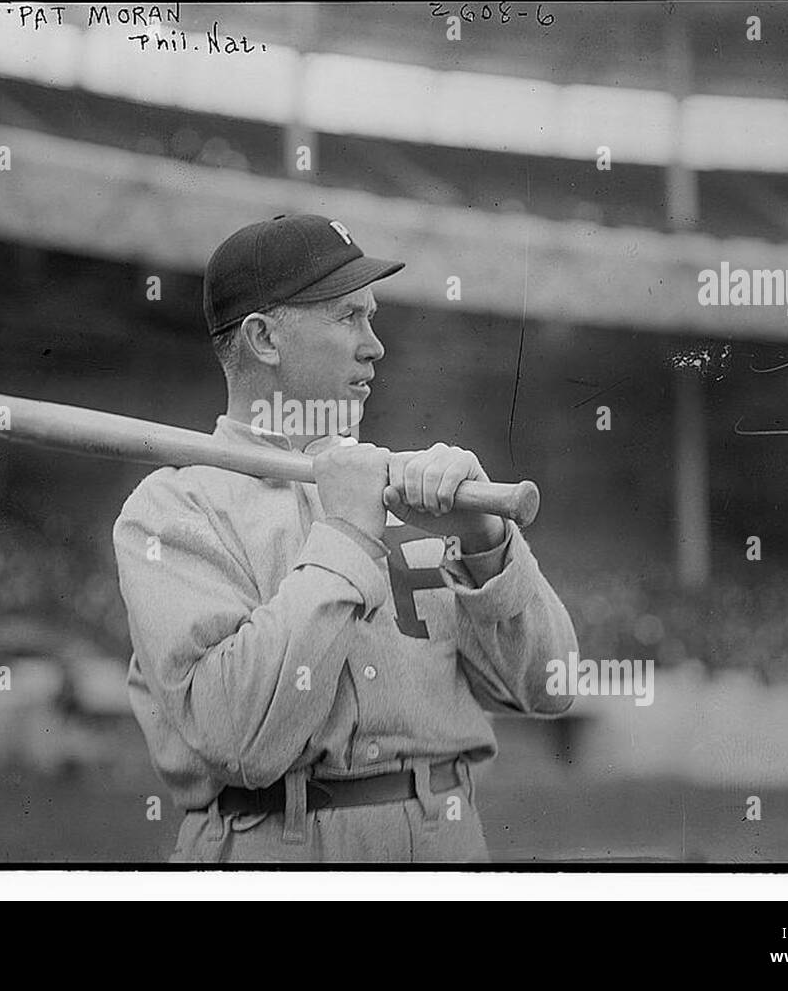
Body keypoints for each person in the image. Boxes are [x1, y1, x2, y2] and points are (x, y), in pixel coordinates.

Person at [113, 213, 578, 862]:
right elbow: (238, 740)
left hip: (446, 842)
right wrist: (346, 536)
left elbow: (551, 685)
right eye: (347, 317)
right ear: (264, 338)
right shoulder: (171, 510)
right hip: (276, 845)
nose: (374, 344)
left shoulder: (420, 490)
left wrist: (485, 540)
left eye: (373, 315)